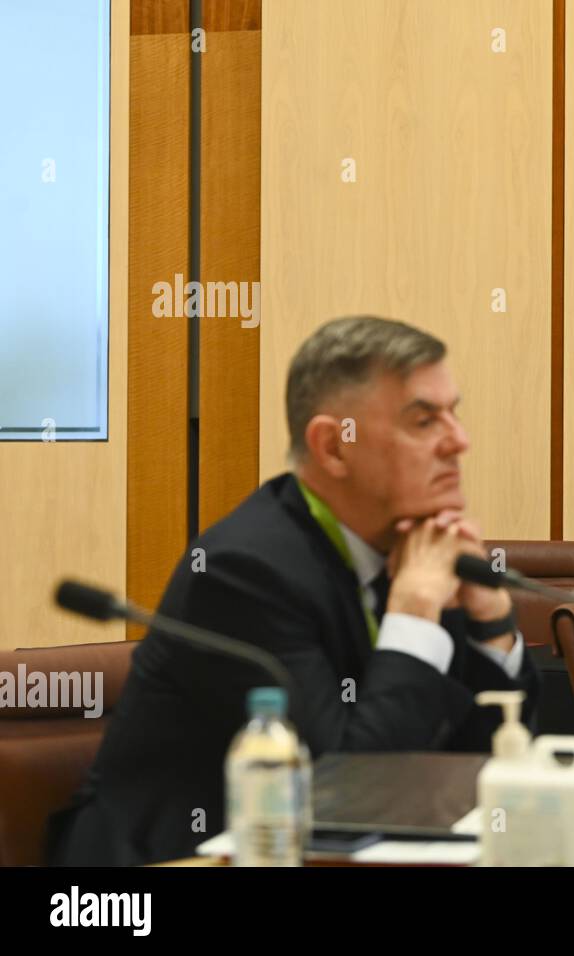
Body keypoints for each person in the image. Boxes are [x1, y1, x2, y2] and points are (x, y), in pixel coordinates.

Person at [49, 316, 539, 865]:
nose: (459, 441)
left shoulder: (419, 551)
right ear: (333, 446)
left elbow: (484, 769)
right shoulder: (243, 573)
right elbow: (342, 792)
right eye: (424, 421)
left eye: (455, 413)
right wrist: (417, 612)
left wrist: (491, 623)